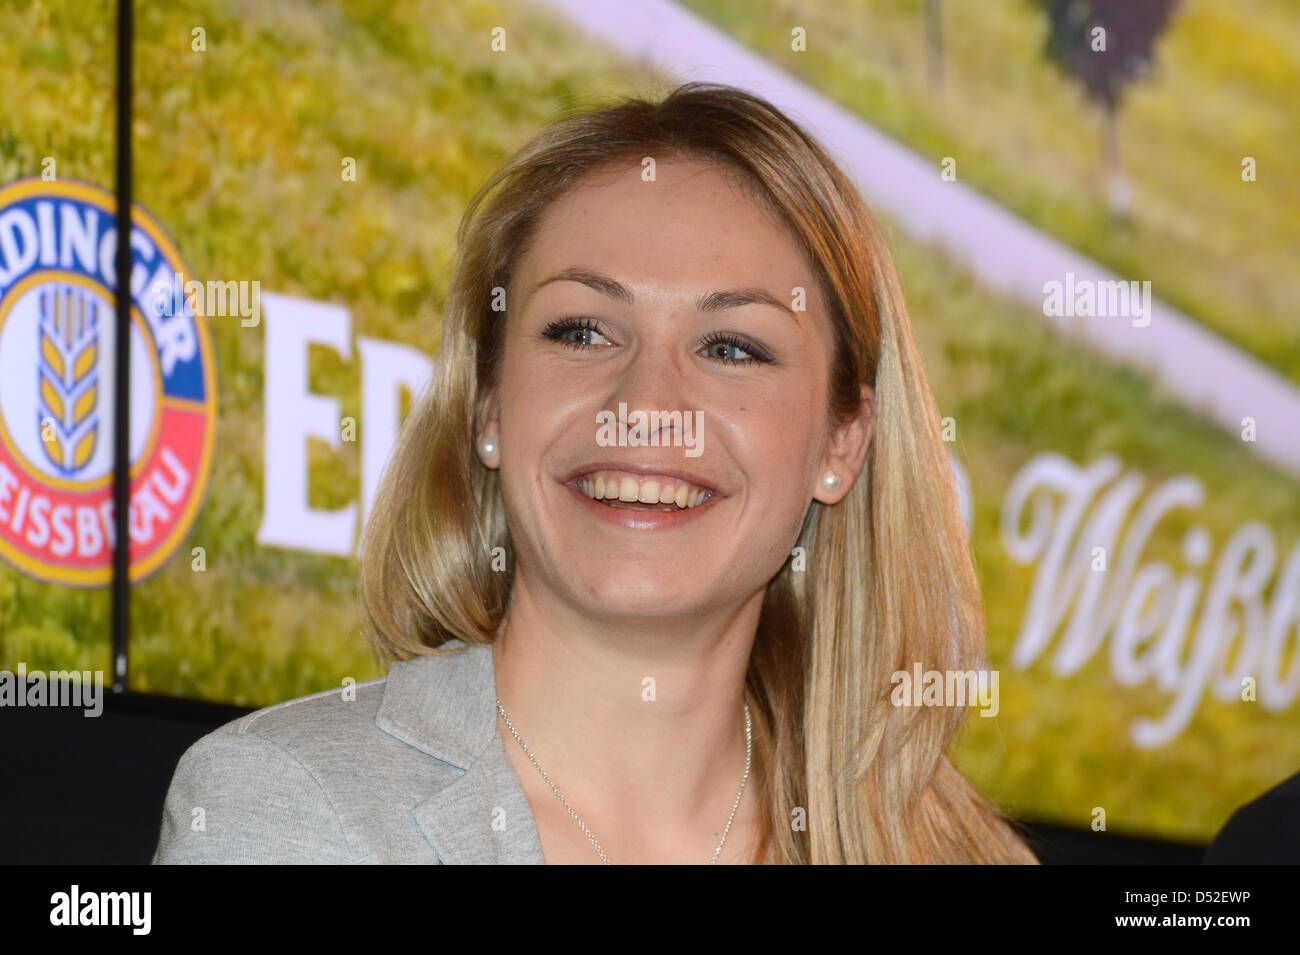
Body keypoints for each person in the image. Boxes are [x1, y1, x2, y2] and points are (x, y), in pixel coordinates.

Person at [152, 81, 1037, 864]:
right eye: (581, 330)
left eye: (731, 346)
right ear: (489, 403)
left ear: (843, 443)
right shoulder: (290, 810)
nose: (647, 401)